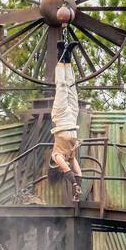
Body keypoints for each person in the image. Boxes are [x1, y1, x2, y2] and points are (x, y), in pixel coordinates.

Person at [50, 20, 83, 198]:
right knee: (71, 87)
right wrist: (78, 189)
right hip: (72, 120)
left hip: (61, 120)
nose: (67, 164)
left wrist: (72, 184)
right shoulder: (71, 157)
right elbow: (78, 171)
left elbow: (65, 167)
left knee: (61, 86)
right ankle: (68, 57)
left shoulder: (57, 155)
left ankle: (60, 55)